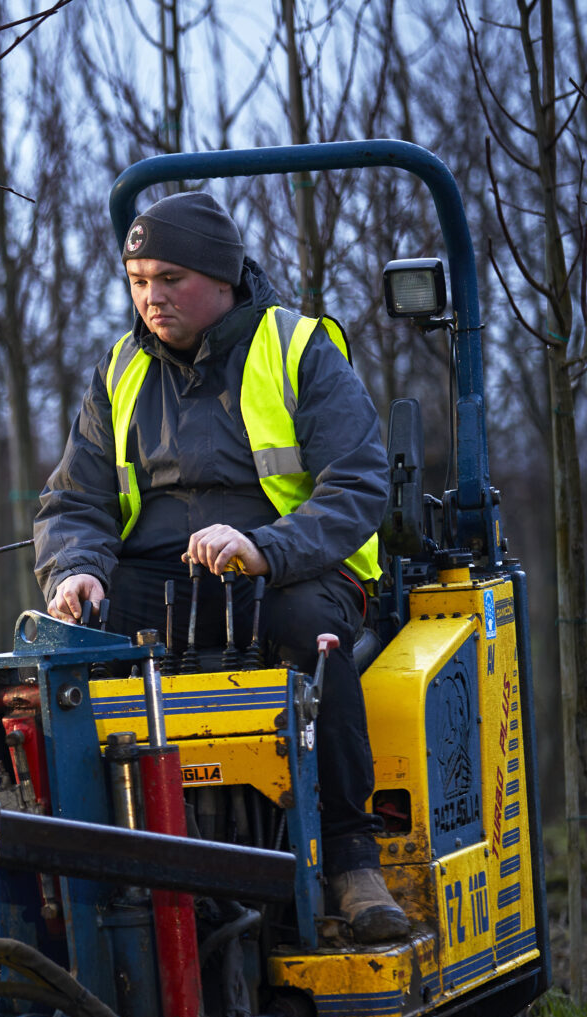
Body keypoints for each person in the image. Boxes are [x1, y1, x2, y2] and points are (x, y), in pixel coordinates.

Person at [33, 192, 409, 944]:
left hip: (298, 574)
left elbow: (359, 484)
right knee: (60, 649)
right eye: (139, 279)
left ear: (224, 276)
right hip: (161, 580)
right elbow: (75, 501)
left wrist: (266, 546)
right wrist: (74, 570)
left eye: (169, 277)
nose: (151, 296)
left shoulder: (297, 349)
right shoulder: (120, 369)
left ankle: (349, 858)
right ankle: (73, 865)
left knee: (310, 635)